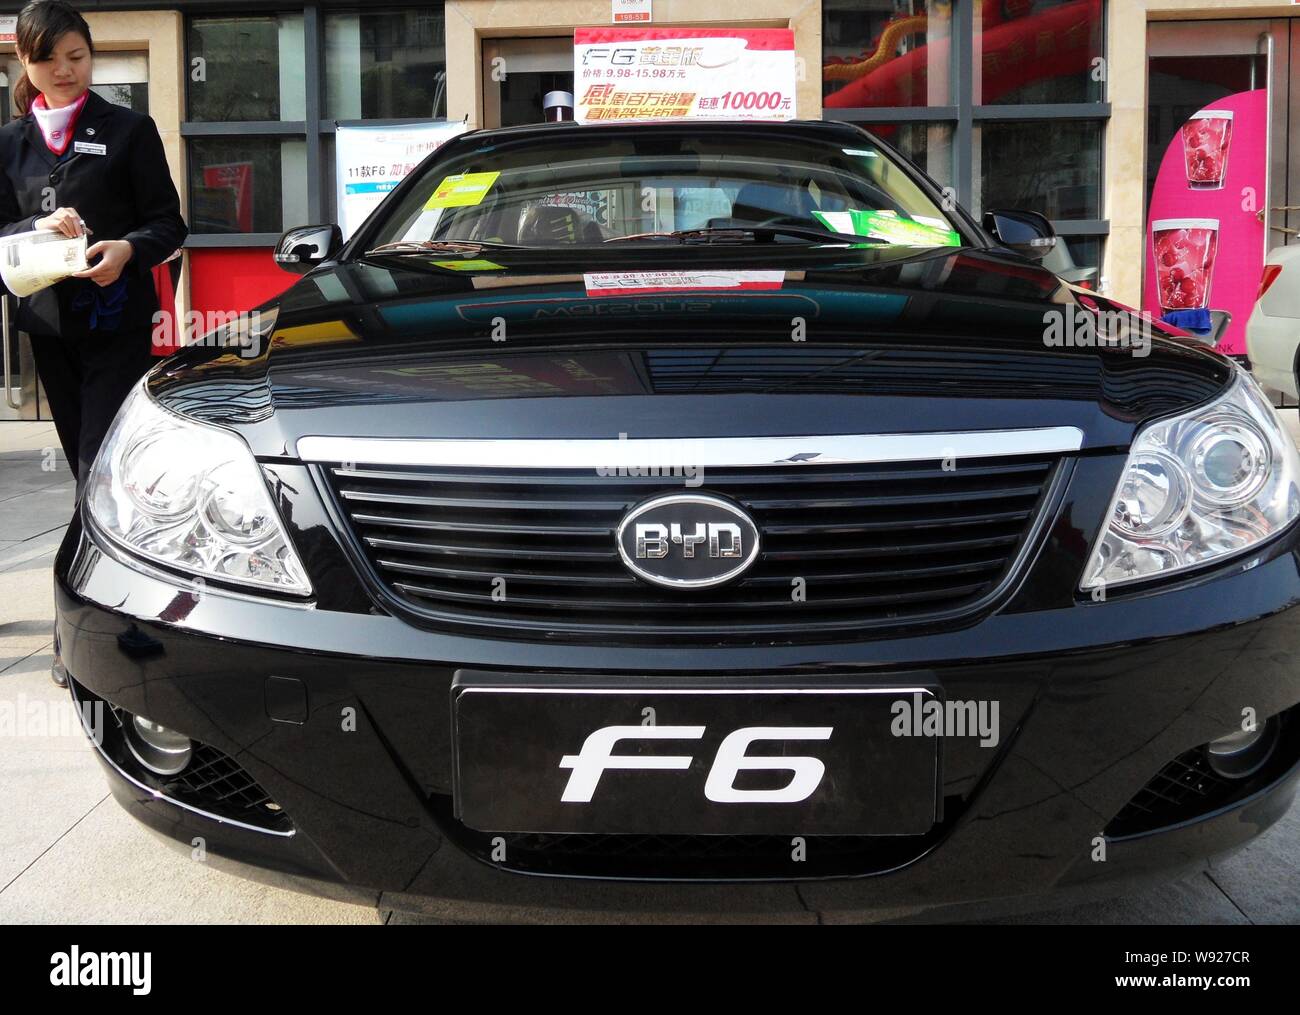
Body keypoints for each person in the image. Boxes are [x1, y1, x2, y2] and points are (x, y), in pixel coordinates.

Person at [0, 1, 188, 685]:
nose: (67, 70)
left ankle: (80, 634)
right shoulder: (10, 144)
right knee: (92, 476)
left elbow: (169, 225)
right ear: (26, 62)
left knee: (100, 473)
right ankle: (109, 622)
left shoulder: (128, 130)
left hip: (119, 329)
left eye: (78, 56)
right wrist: (32, 232)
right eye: (51, 59)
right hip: (52, 332)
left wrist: (126, 250)